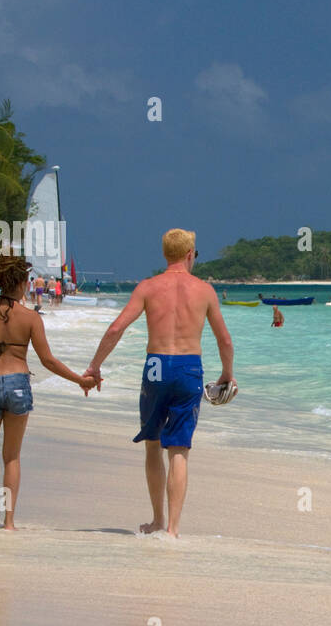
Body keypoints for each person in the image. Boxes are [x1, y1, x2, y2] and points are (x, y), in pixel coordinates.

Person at [84, 228, 234, 538]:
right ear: (190, 254)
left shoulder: (148, 287)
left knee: (153, 444)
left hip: (155, 366)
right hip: (189, 368)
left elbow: (115, 329)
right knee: (178, 448)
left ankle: (156, 519)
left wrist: (95, 367)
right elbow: (224, 340)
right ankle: (174, 530)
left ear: (165, 255)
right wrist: (227, 374)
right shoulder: (205, 290)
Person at [0, 254, 98, 531]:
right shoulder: (31, 317)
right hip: (18, 384)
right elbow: (48, 360)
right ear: (22, 283)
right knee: (12, 456)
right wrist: (79, 380)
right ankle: (9, 521)